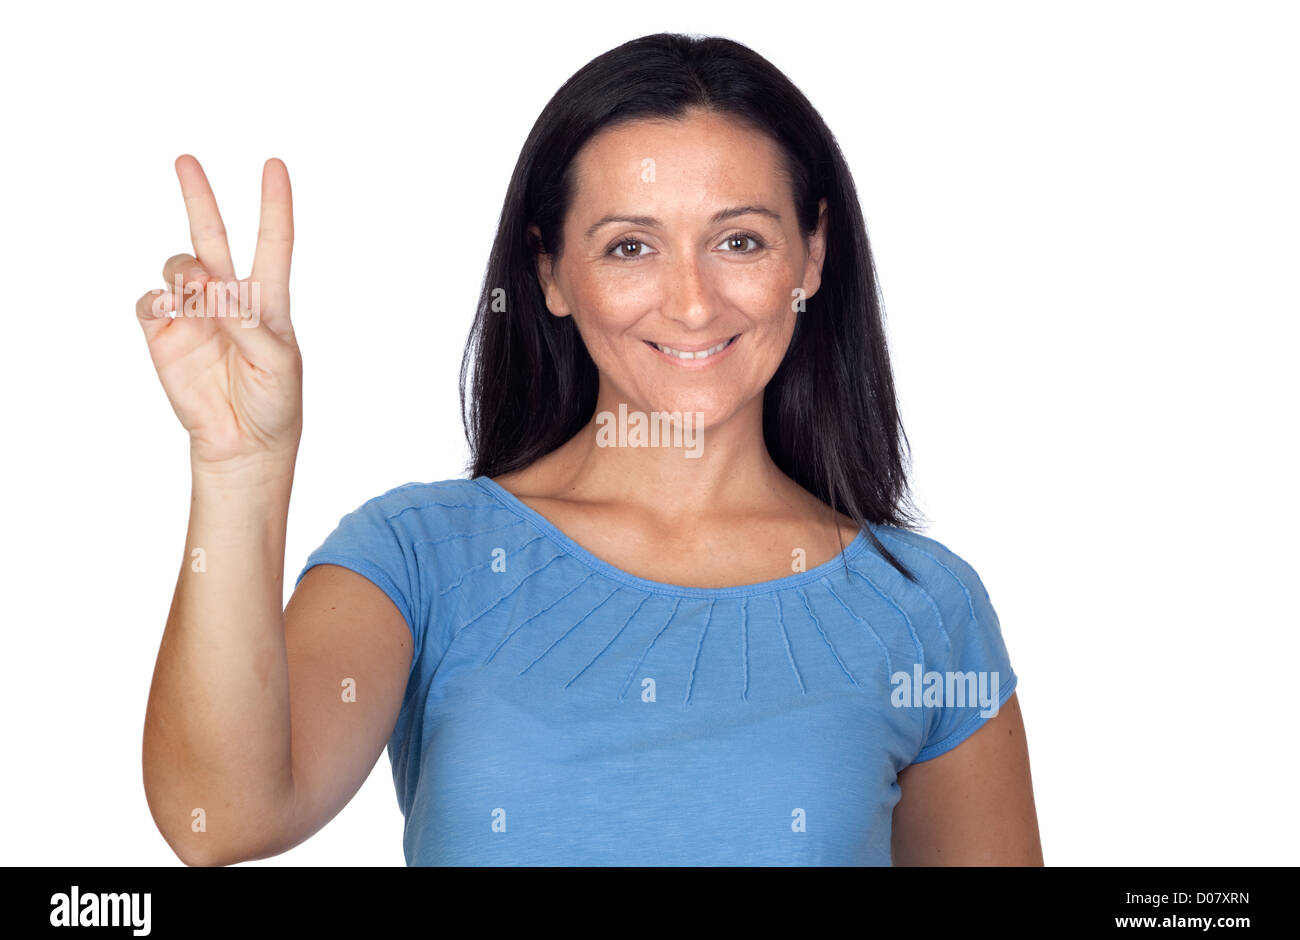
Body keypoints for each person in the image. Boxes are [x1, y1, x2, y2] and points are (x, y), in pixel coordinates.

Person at [138, 32, 1042, 866]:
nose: (692, 303)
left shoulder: (926, 609)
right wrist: (239, 465)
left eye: (739, 240)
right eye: (629, 247)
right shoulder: (421, 560)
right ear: (549, 273)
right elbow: (220, 816)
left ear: (810, 256)